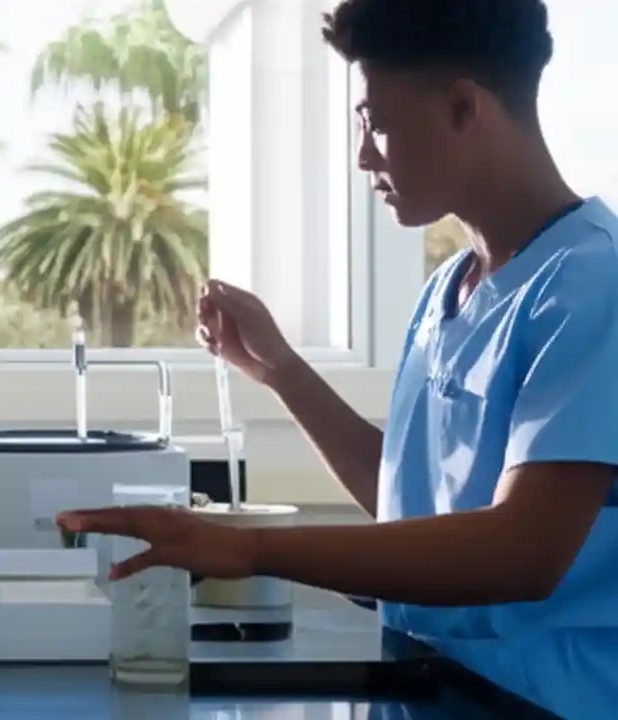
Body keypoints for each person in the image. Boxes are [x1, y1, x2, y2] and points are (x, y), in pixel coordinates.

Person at [56, 0, 618, 716]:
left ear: (462, 107)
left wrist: (253, 549)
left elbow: (523, 549)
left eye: (374, 123)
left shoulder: (591, 282)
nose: (364, 155)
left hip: (538, 701)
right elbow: (408, 501)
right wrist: (282, 373)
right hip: (429, 686)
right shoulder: (451, 287)